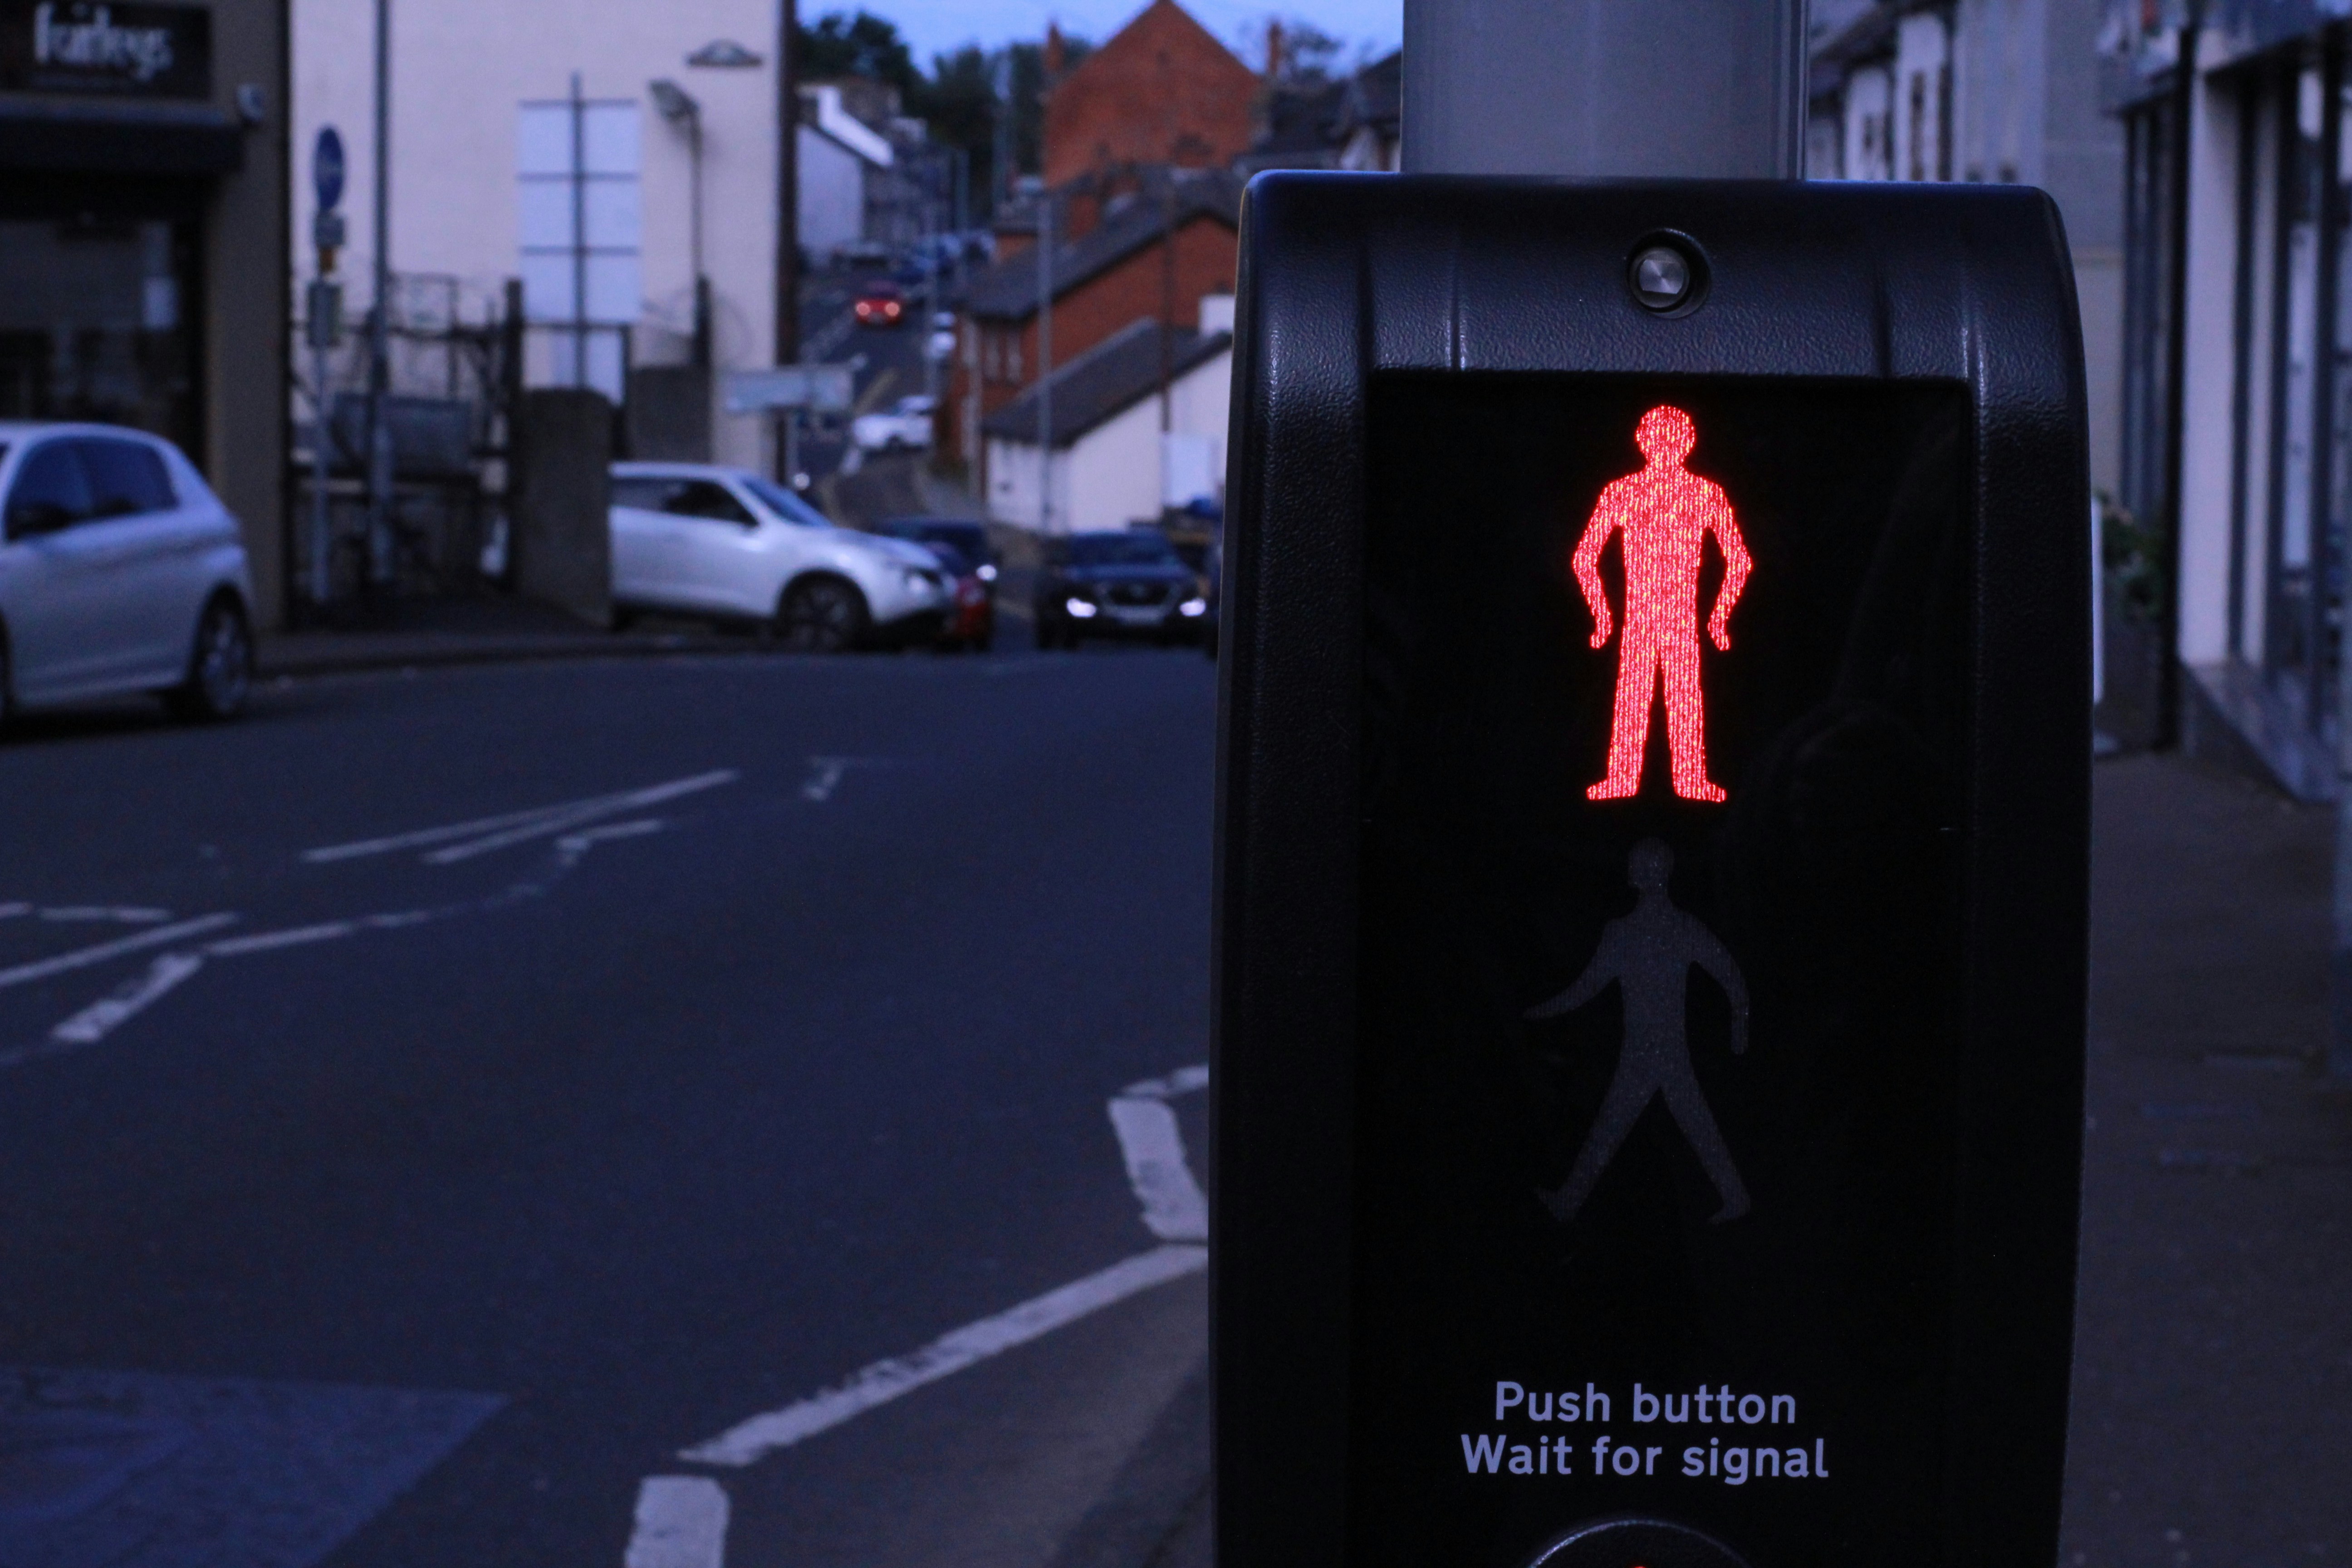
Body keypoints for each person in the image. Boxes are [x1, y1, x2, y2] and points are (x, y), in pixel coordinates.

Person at [1526, 839, 1751, 1223]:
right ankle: (1568, 1202)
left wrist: (1740, 1021)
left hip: (1660, 1054)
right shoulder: (1632, 932)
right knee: (1620, 1130)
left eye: (1637, 865)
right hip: (1646, 1053)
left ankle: (1568, 1202)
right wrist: (1545, 1010)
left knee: (1616, 1130)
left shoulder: (1666, 929)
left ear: (1651, 874)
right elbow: (1587, 988)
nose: (1631, 871)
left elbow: (1728, 973)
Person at [1571, 406, 1751, 803]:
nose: (1665, 448)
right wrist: (1603, 616)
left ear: (1687, 444)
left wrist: (1719, 619)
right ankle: (1627, 780)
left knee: (1680, 696)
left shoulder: (1706, 493)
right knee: (1638, 695)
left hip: (1678, 617)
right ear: (1643, 442)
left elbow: (1740, 561)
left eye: (1672, 440)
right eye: (1659, 439)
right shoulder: (1622, 492)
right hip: (1642, 615)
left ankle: (1688, 781)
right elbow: (1584, 558)